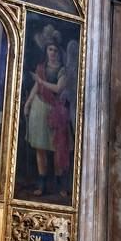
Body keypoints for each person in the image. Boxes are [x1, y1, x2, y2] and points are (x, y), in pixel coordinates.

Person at [23, 27, 74, 198]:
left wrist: (40, 80)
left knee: (58, 148)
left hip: (56, 112)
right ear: (46, 51)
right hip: (39, 108)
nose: (52, 52)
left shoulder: (63, 70)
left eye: (54, 50)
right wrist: (28, 103)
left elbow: (59, 88)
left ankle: (60, 183)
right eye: (49, 49)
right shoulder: (41, 67)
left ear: (59, 52)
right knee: (40, 149)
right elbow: (36, 87)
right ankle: (42, 183)